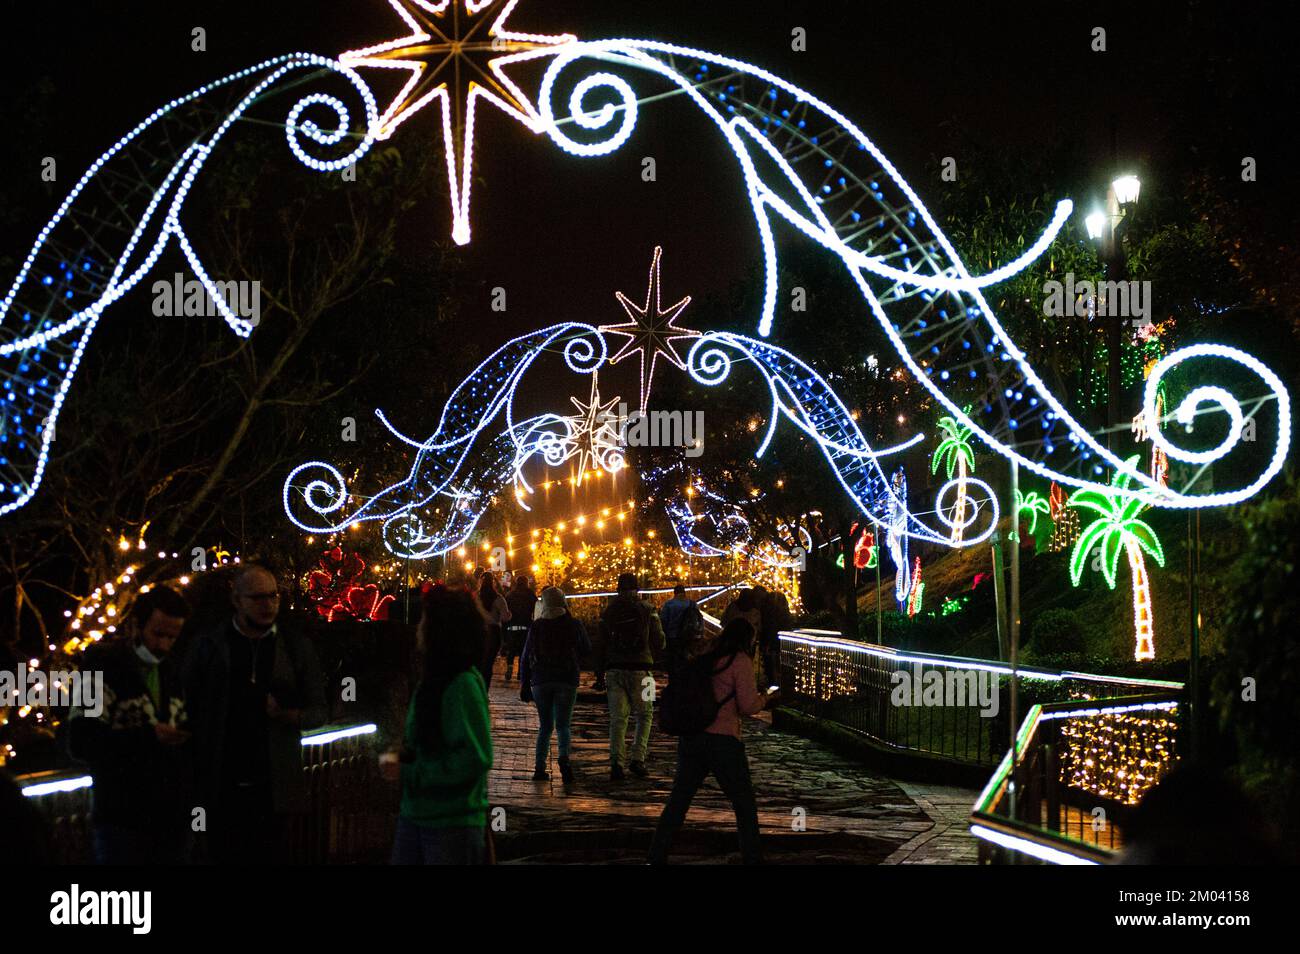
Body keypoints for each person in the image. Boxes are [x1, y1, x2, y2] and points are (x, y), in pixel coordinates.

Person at [184, 564, 326, 865]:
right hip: (222, 785)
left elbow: (320, 711)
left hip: (272, 788)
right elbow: (189, 706)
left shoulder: (294, 646)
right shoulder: (209, 645)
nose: (268, 605)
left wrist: (286, 714)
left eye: (273, 596)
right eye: (258, 597)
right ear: (237, 601)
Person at [69, 585, 194, 864]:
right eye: (158, 634)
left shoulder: (172, 671)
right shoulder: (100, 668)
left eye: (172, 637)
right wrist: (150, 736)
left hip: (170, 819)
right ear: (136, 625)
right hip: (122, 820)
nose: (163, 645)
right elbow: (80, 740)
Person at [648, 619, 777, 865]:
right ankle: (752, 857)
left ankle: (656, 854)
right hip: (723, 740)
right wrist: (766, 699)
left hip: (693, 736)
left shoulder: (706, 655)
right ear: (748, 640)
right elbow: (748, 706)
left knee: (679, 800)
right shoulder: (740, 661)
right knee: (743, 803)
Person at [381, 584, 493, 864]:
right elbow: (422, 743)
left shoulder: (462, 685)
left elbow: (474, 758)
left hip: (451, 824)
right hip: (415, 816)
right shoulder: (431, 681)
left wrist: (413, 771)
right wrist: (400, 757)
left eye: (424, 620)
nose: (418, 627)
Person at [519, 586, 590, 783]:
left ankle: (539, 768)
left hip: (540, 680)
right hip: (566, 679)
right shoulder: (573, 624)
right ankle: (564, 760)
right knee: (563, 725)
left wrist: (524, 682)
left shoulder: (537, 626)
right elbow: (587, 648)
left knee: (545, 726)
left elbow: (525, 657)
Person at [598, 573, 665, 781]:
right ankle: (638, 758)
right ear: (637, 589)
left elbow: (600, 643)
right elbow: (659, 640)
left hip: (614, 670)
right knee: (646, 714)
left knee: (618, 718)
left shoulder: (609, 611)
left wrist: (599, 673)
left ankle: (616, 762)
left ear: (618, 589)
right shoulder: (647, 609)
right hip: (643, 670)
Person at [476, 572, 511, 687]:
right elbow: (505, 617)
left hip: (478, 631)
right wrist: (508, 615)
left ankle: (477, 687)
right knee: (488, 662)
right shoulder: (498, 598)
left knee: (478, 661)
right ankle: (485, 689)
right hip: (493, 632)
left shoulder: (475, 597)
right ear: (493, 583)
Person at [659, 583, 703, 673]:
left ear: (674, 593)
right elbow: (699, 618)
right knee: (686, 661)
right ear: (684, 592)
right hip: (688, 637)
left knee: (673, 662)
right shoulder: (692, 604)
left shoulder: (669, 604)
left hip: (672, 637)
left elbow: (663, 620)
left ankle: (674, 681)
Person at [502, 574, 536, 683]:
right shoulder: (530, 594)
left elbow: (506, 609)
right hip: (526, 626)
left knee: (511, 649)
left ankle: (510, 667)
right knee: (523, 650)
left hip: (512, 626)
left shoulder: (510, 594)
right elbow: (536, 607)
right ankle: (520, 672)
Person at [760, 590, 793, 689]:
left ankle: (773, 686)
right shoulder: (784, 616)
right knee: (780, 666)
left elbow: (766, 629)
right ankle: (781, 686)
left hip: (771, 643)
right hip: (781, 644)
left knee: (771, 666)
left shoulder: (766, 615)